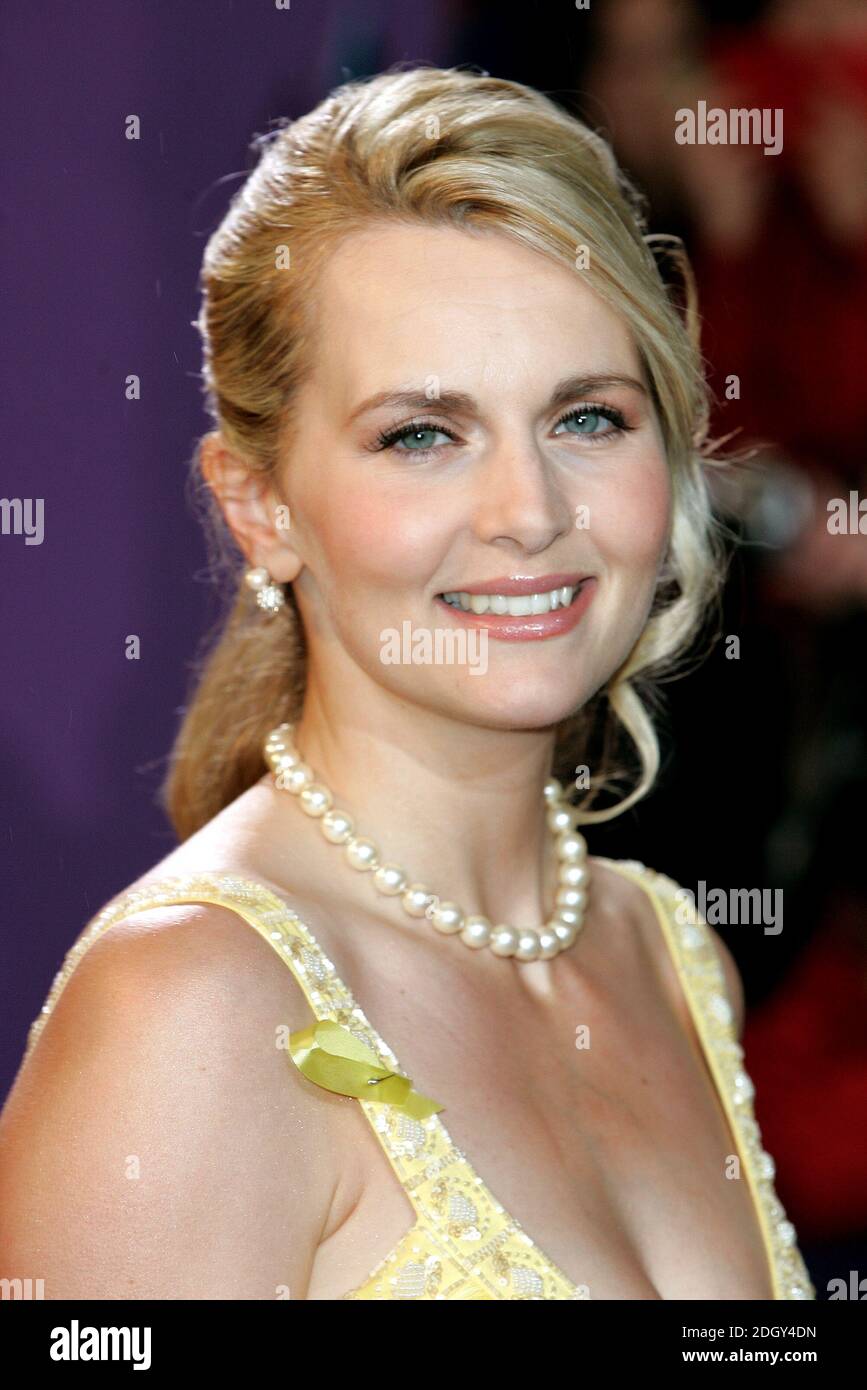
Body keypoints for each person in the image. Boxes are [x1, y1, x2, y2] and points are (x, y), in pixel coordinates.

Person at [0, 65, 815, 1301]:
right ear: (260, 506)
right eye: (421, 435)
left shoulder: (667, 950)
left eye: (588, 417)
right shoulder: (193, 1010)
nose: (530, 513)